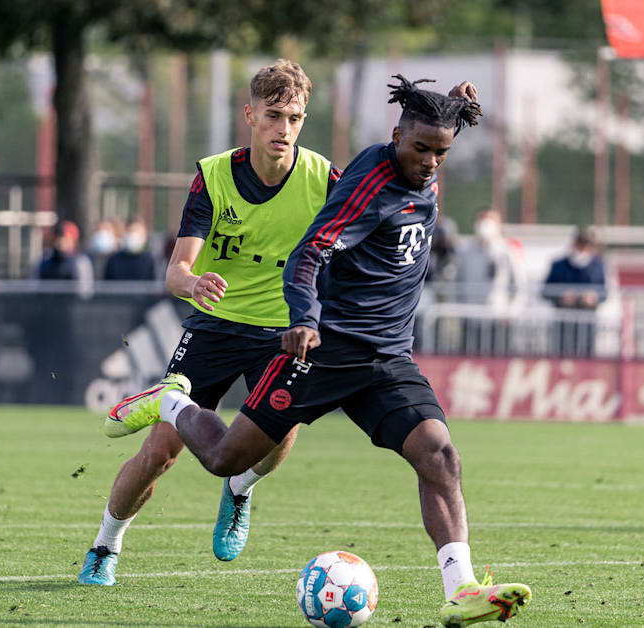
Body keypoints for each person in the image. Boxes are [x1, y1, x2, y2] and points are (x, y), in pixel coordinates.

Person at [104, 75, 531, 626]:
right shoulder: (367, 185)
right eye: (421, 149)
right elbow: (308, 254)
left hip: (386, 359)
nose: (429, 163)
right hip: (325, 351)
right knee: (223, 458)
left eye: (440, 153)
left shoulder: (422, 162)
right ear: (396, 137)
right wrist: (305, 320)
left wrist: (456, 108)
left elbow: (434, 134)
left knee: (439, 455)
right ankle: (169, 403)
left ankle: (461, 589)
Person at [78, 59, 342, 586]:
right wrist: (195, 283)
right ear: (250, 115)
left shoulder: (325, 178)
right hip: (215, 328)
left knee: (280, 436)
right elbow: (175, 273)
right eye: (273, 116)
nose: (284, 129)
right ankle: (105, 545)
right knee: (158, 454)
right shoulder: (215, 176)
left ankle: (239, 489)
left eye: (294, 118)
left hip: (283, 332)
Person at [542, 226, 607, 356]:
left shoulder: (598, 266)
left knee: (587, 356)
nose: (583, 248)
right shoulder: (559, 265)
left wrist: (593, 298)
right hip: (563, 324)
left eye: (587, 245)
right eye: (581, 243)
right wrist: (560, 297)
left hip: (587, 324)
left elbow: (604, 292)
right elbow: (545, 291)